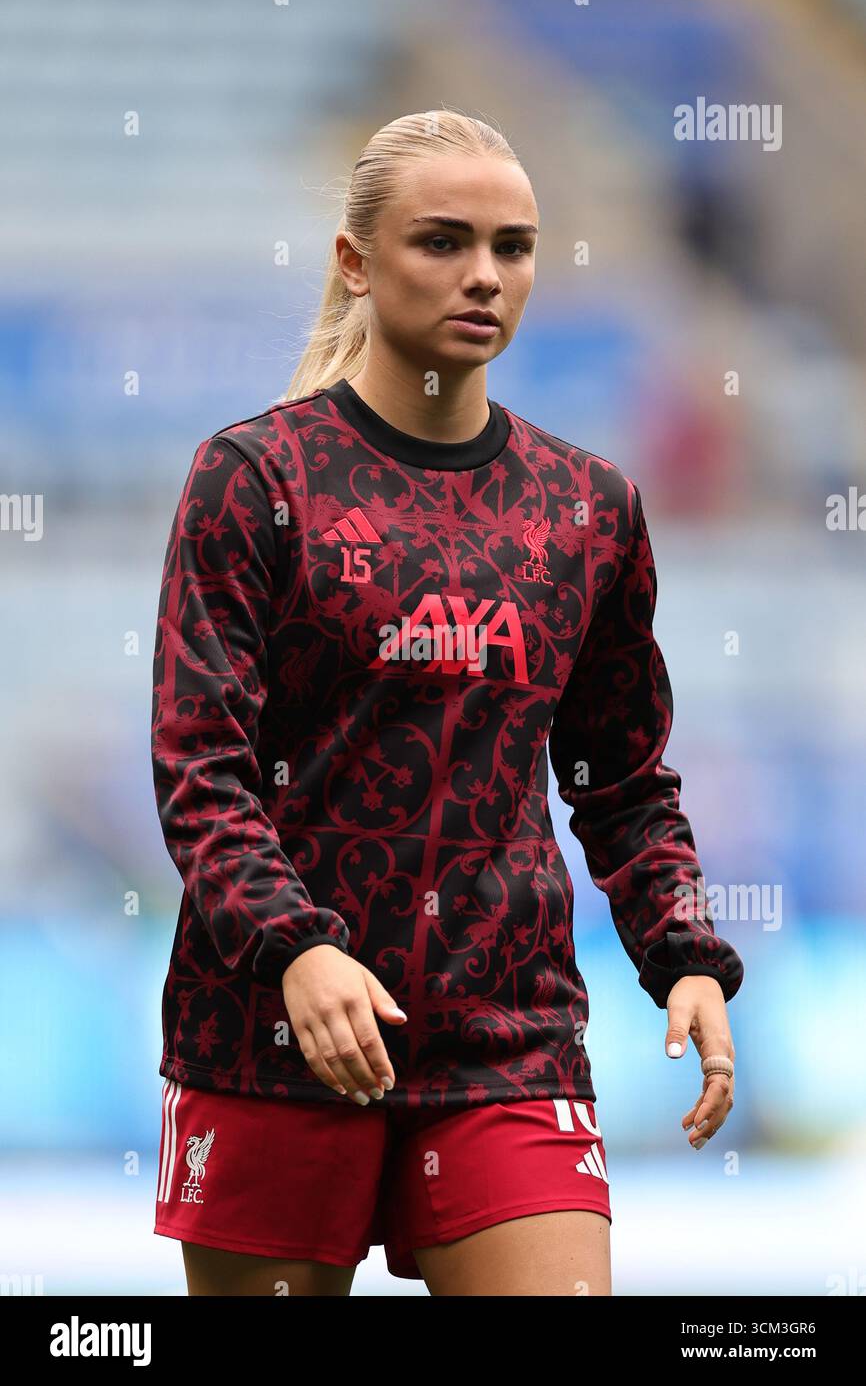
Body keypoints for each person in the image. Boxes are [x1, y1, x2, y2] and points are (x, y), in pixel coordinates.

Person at [151, 109, 743, 1297]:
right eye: (442, 240)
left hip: (506, 1039)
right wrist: (296, 949)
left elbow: (620, 774)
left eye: (512, 246)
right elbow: (199, 765)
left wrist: (682, 953)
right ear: (354, 261)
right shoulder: (255, 480)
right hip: (270, 1035)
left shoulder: (588, 508)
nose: (484, 274)